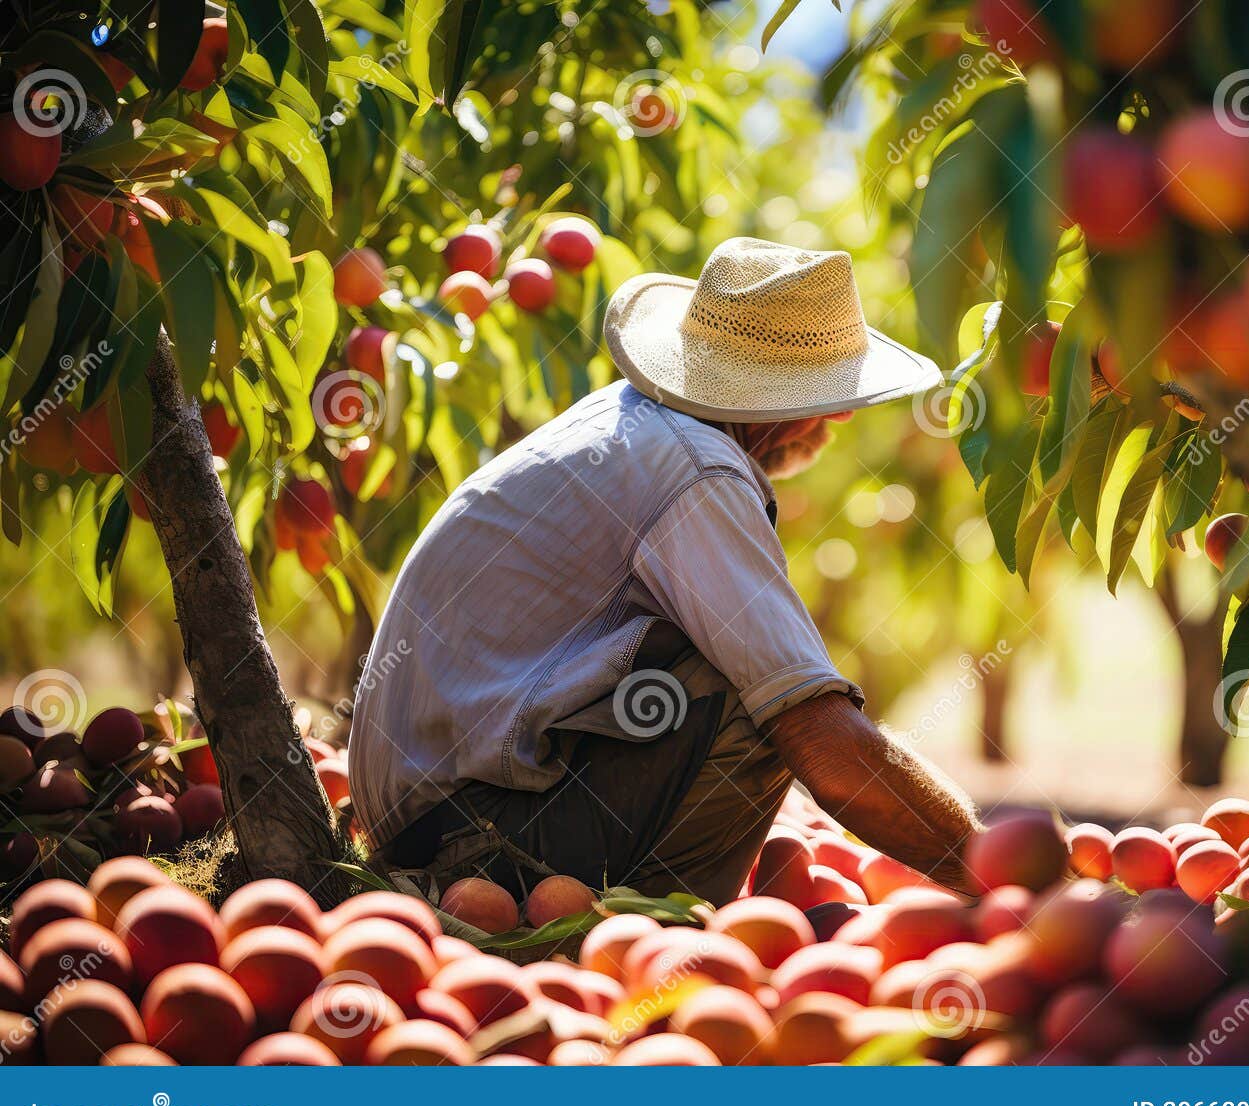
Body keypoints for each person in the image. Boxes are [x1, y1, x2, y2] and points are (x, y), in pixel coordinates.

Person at [349, 237, 979, 906]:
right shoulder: (698, 470)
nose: (843, 416)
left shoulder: (628, 424)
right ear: (832, 405)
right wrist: (996, 877)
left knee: (756, 674)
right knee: (772, 695)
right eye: (836, 395)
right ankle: (630, 924)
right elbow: (824, 747)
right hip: (474, 843)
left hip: (424, 822)